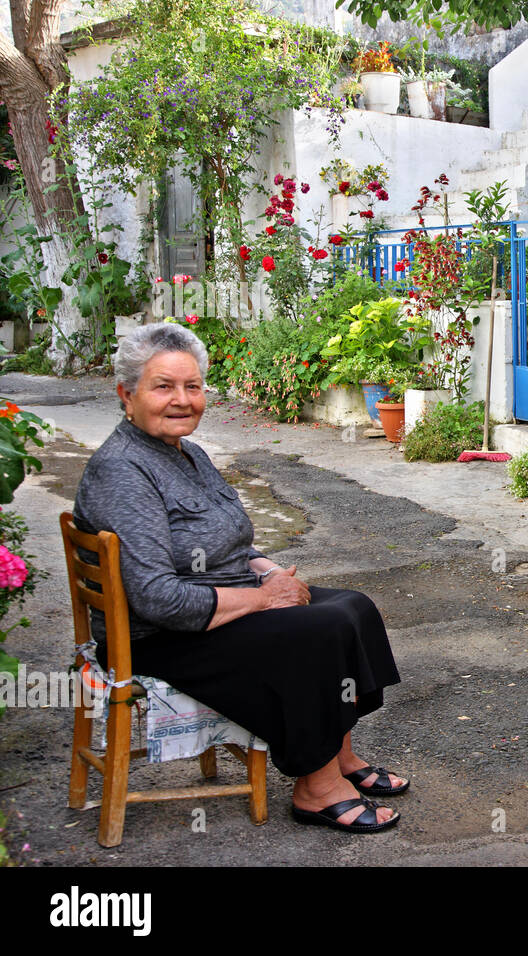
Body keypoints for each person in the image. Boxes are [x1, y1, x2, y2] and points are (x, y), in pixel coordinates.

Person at [74, 323, 407, 834]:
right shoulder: (123, 470)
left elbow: (229, 542)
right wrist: (263, 600)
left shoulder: (187, 453)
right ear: (127, 395)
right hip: (164, 636)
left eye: (192, 386)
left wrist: (271, 574)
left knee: (352, 606)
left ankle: (339, 754)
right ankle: (316, 788)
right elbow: (157, 598)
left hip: (221, 603)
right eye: (164, 386)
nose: (182, 400)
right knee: (318, 631)